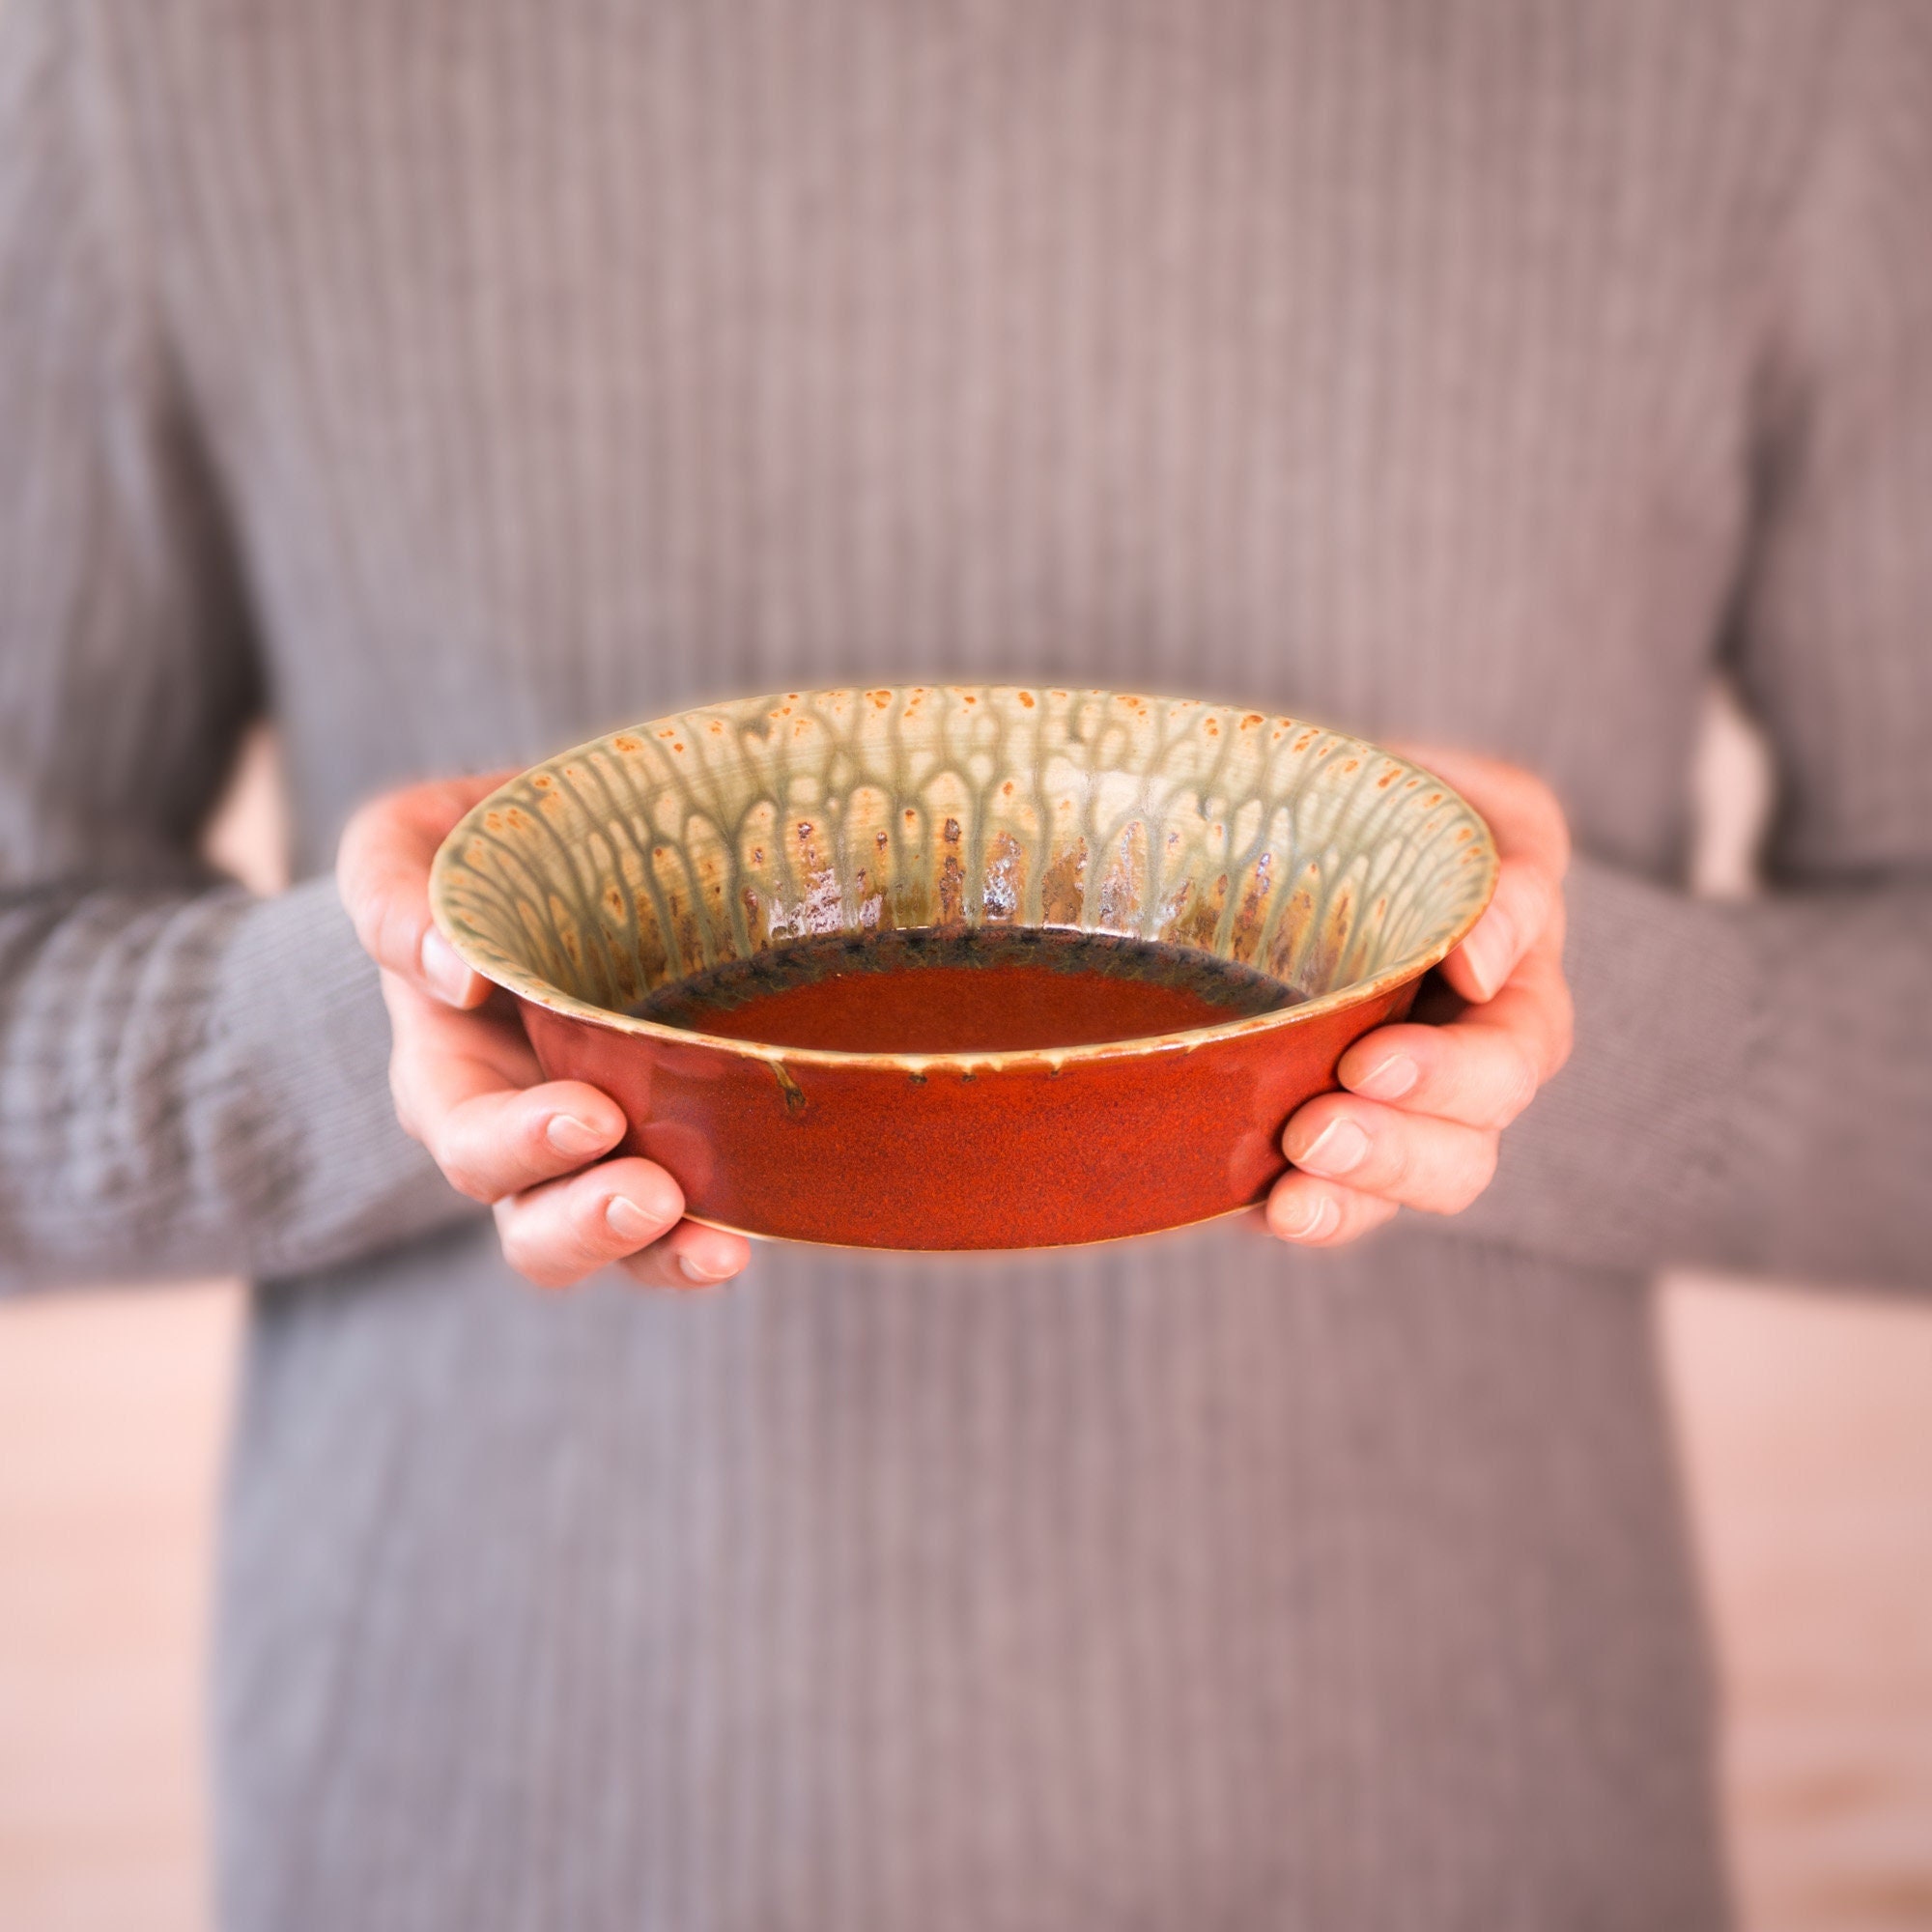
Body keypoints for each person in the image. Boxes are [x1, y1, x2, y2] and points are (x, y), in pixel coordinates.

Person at [1, 2, 1925, 1926]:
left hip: (1462, 1843)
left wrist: (1525, 1011)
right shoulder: (171, 52)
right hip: (487, 1843)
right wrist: (411, 1005)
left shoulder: (1766, 53)